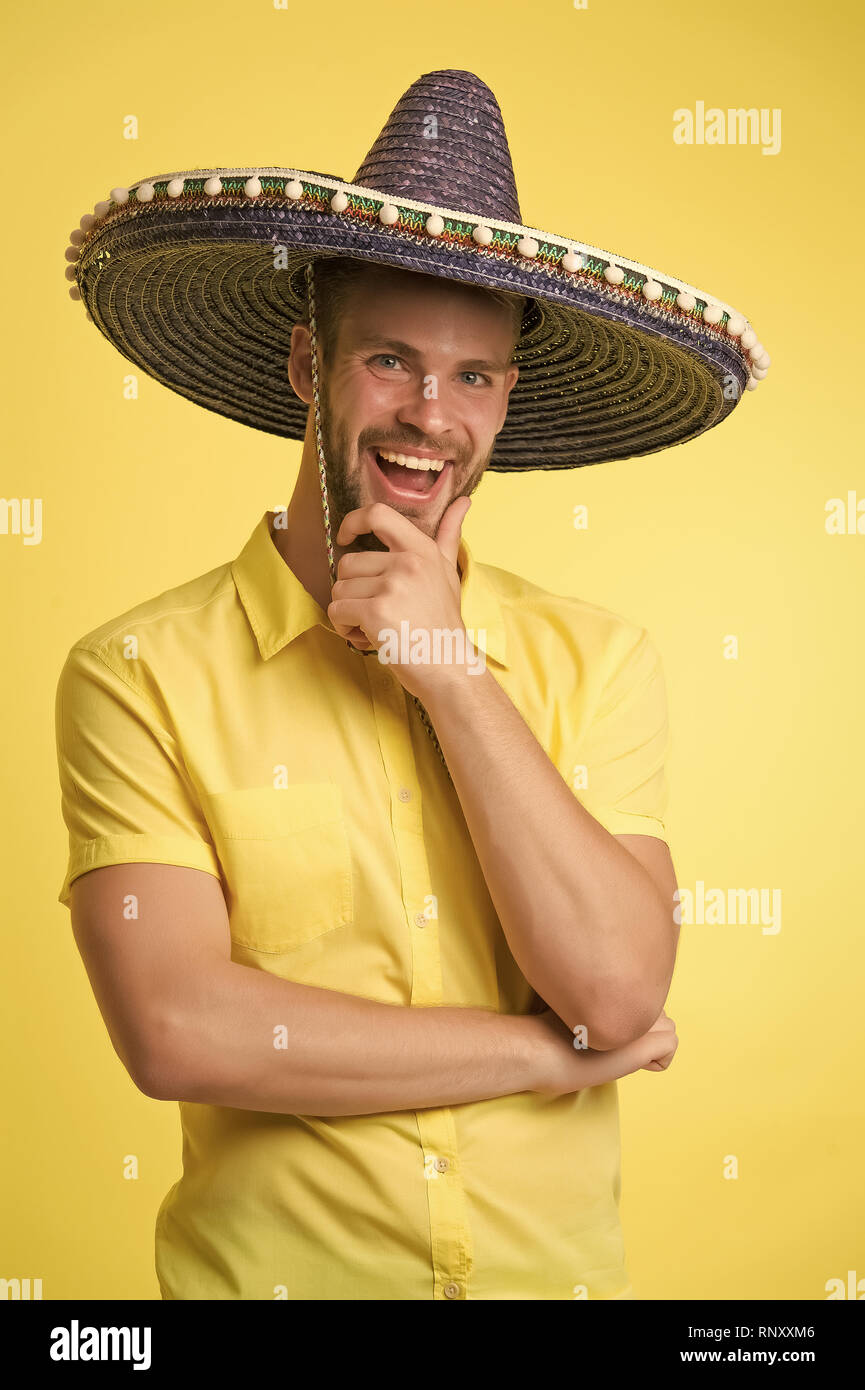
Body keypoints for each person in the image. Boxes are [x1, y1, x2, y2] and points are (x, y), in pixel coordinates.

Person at [56, 68, 766, 1300]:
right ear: (304, 366)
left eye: (474, 376)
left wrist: (450, 673)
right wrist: (537, 1058)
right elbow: (179, 1030)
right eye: (390, 360)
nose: (430, 415)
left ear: (504, 399)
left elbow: (613, 991)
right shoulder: (137, 673)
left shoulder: (596, 660)